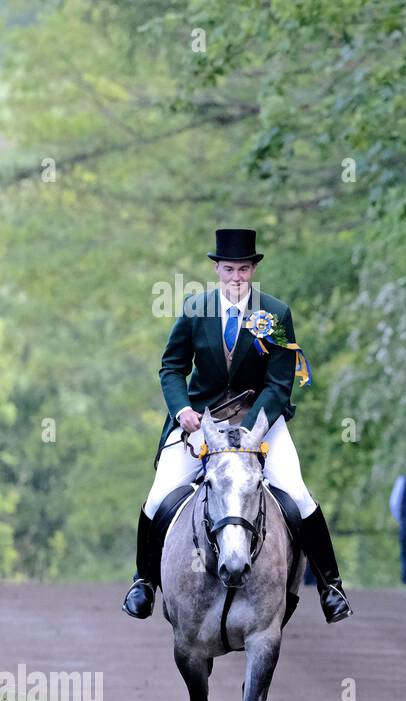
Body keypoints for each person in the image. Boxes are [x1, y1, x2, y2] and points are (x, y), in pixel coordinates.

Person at [121, 229, 352, 623]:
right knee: (159, 496)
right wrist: (182, 412)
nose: (236, 277)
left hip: (259, 418)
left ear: (253, 269)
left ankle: (331, 587)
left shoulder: (275, 313)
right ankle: (144, 582)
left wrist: (254, 427)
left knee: (298, 493)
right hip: (203, 420)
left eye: (243, 269)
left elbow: (281, 382)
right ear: (217, 269)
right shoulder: (196, 309)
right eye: (229, 269)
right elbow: (172, 367)